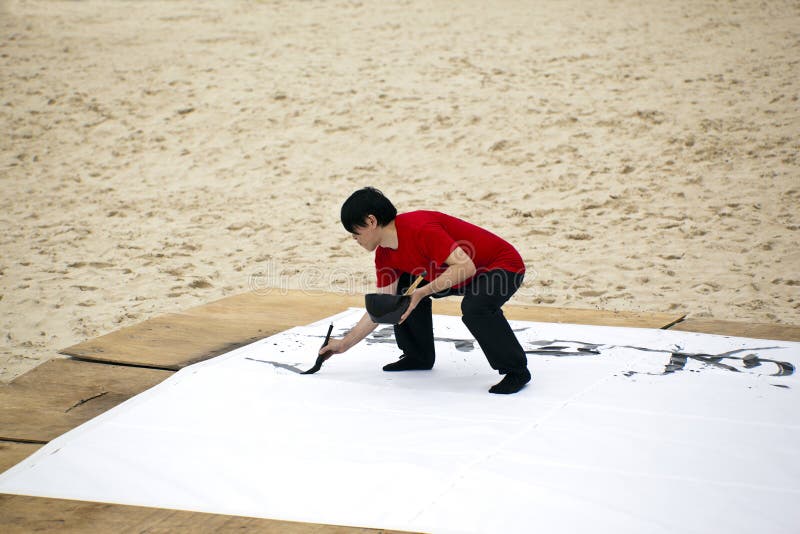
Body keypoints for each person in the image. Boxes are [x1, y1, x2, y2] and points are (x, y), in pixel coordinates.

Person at [319, 187, 531, 394]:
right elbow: (382, 307)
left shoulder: (420, 228)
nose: (354, 238)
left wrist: (422, 291)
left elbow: (466, 267)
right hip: (458, 277)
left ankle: (517, 371)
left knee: (475, 307)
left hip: (502, 268)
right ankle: (418, 356)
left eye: (355, 232)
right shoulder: (384, 256)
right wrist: (344, 344)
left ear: (371, 221)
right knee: (402, 291)